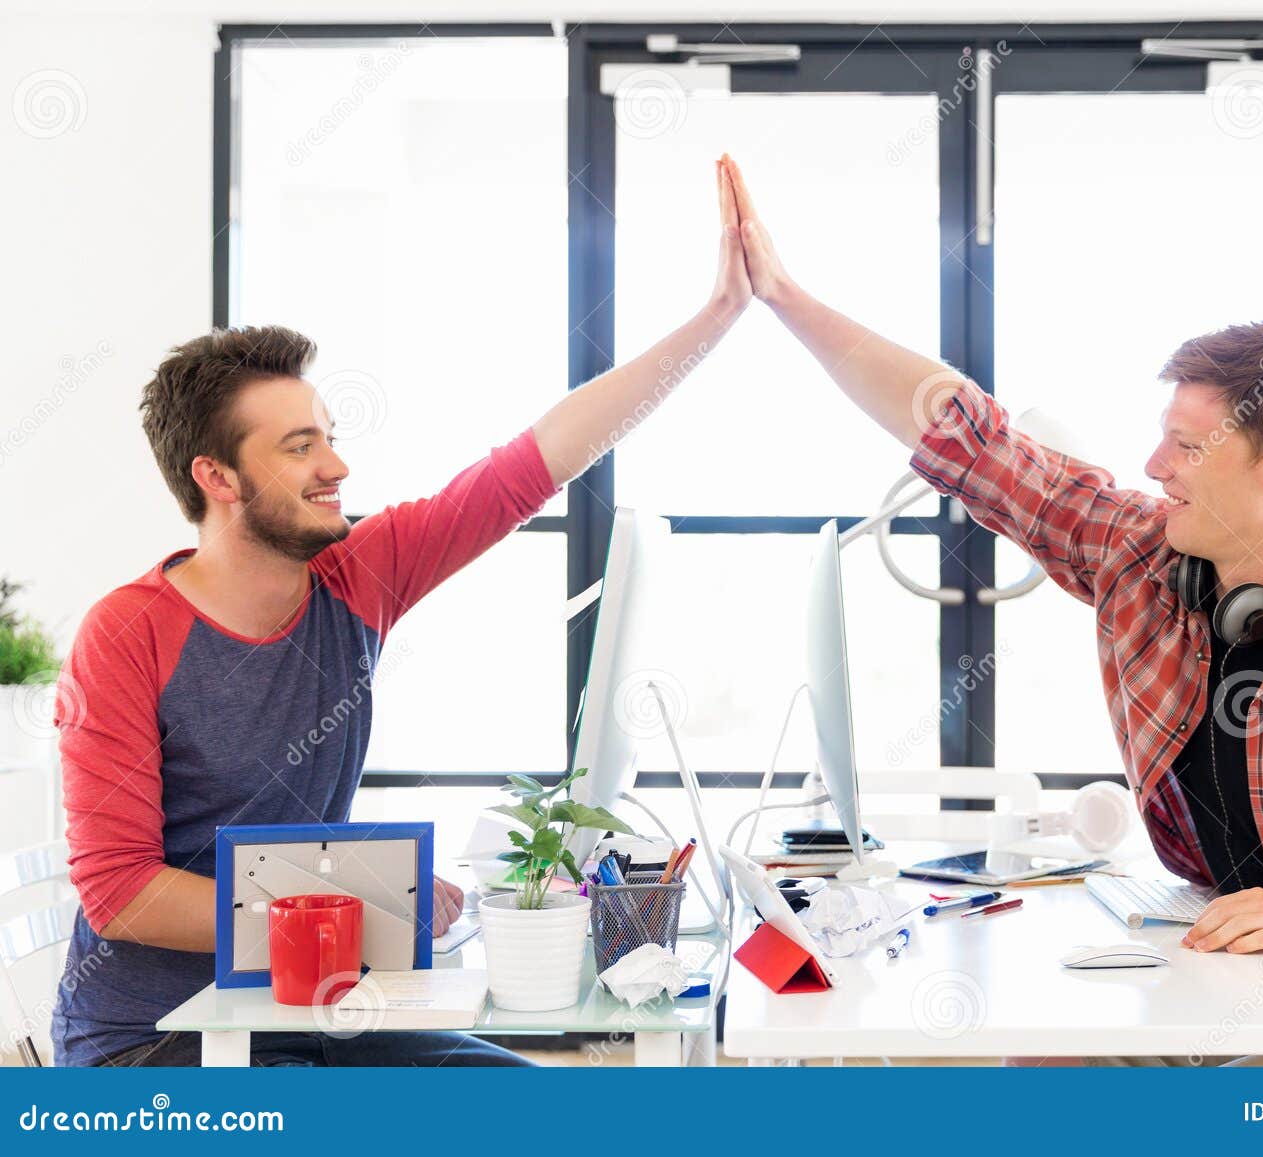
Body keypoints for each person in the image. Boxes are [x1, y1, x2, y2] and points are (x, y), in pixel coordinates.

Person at [718, 155, 1263, 1066]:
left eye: (1183, 445)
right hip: (1247, 1001)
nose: (1152, 466)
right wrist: (784, 298)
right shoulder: (1146, 559)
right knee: (1036, 1065)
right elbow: (971, 442)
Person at [51, 161, 755, 1068]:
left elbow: (521, 471)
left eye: (331, 438)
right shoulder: (127, 633)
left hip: (309, 1007)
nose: (336, 467)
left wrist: (715, 321)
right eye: (301, 447)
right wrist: (365, 909)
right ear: (216, 479)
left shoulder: (354, 575)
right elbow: (122, 895)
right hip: (152, 1044)